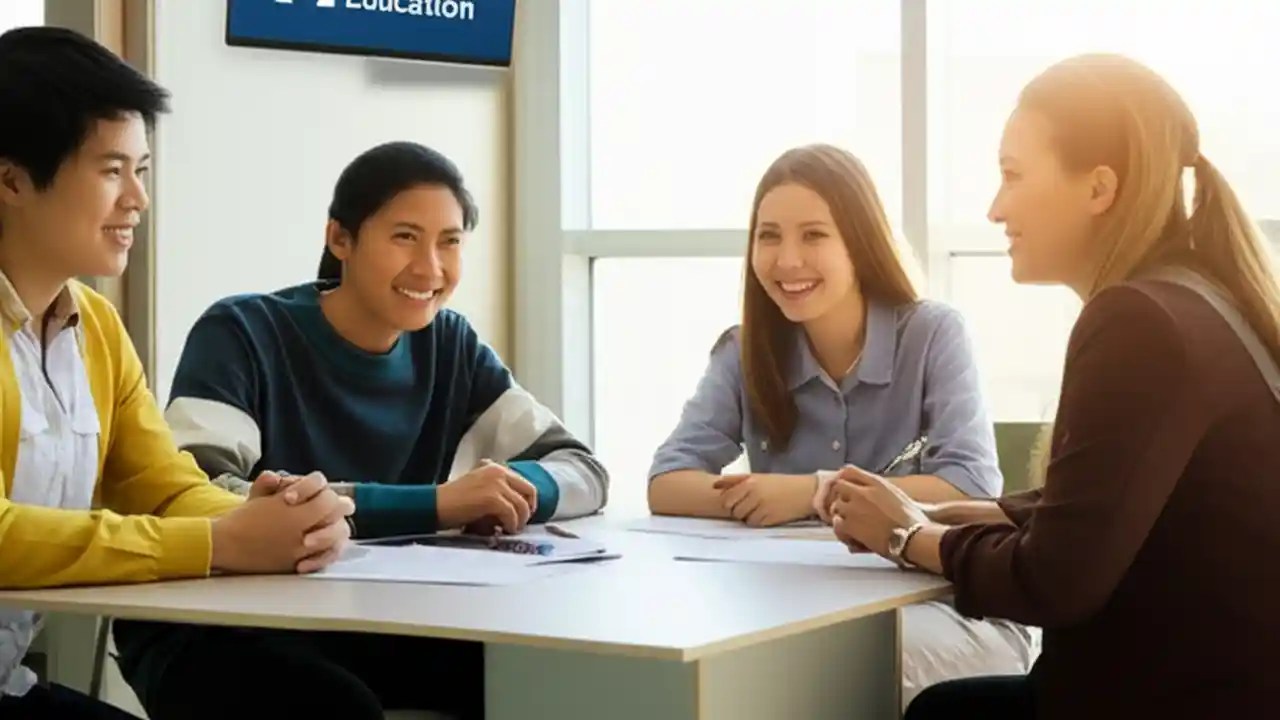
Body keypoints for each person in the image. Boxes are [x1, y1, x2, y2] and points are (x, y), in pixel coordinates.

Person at [832, 53, 1280, 720]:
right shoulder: (1206, 302)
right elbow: (1141, 504)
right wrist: (998, 513)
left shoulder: (1138, 321)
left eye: (1012, 175)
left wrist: (906, 536)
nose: (994, 207)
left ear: (1099, 188)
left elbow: (1054, 584)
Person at [113, 141, 610, 719]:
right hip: (215, 625)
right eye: (405, 237)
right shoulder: (243, 332)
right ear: (340, 239)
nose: (430, 268)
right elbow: (202, 492)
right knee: (333, 707)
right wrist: (436, 505)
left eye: (449, 242)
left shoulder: (450, 345)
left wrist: (513, 489)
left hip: (370, 618)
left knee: (553, 680)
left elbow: (583, 469)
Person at [0, 26, 352, 720]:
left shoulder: (94, 329)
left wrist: (273, 518)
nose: (137, 199)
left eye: (143, 170)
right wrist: (221, 541)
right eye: (110, 171)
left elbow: (159, 488)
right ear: (10, 179)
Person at [647, 143, 1038, 705]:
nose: (787, 261)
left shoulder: (933, 334)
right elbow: (668, 481)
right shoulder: (744, 350)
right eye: (769, 235)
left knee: (794, 674)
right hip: (799, 612)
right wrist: (764, 497)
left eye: (814, 235)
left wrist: (812, 491)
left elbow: (969, 487)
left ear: (859, 239)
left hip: (951, 614)